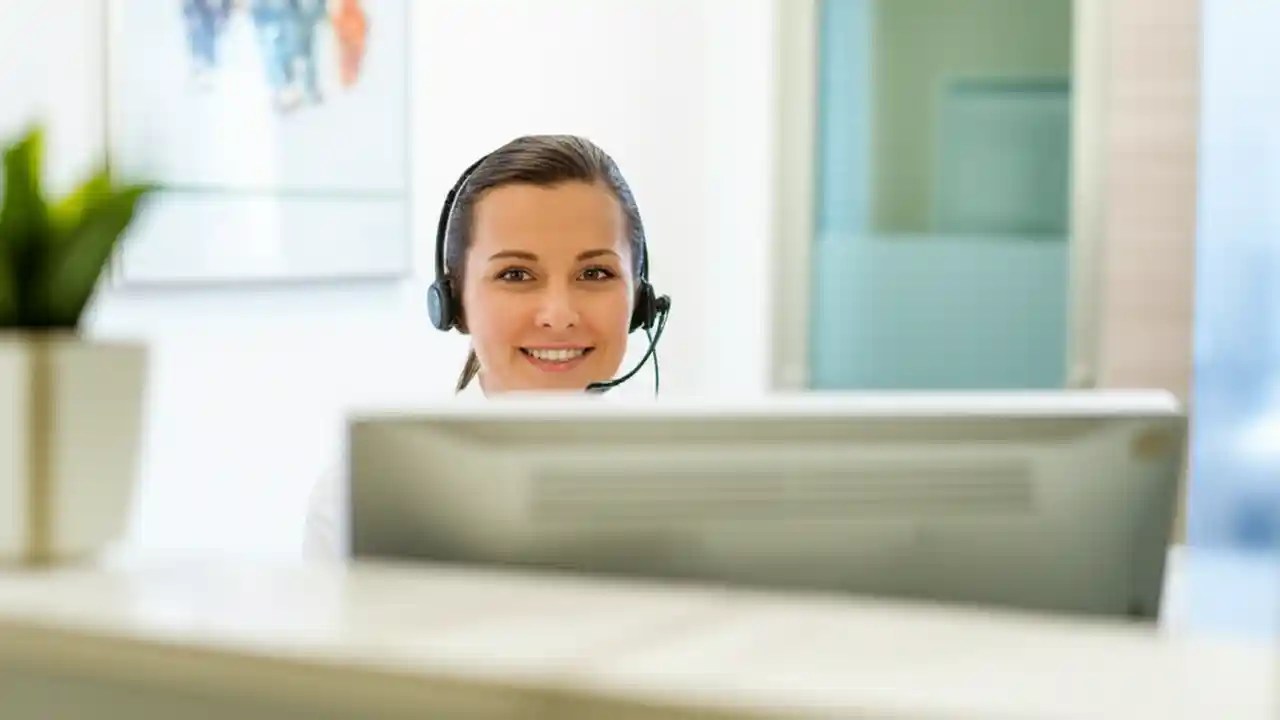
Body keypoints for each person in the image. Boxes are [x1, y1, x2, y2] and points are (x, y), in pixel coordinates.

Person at [303, 134, 668, 558]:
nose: (558, 314)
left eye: (595, 274)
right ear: (455, 302)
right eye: (515, 275)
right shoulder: (362, 498)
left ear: (639, 300)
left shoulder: (686, 482)